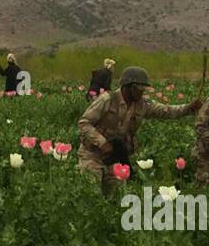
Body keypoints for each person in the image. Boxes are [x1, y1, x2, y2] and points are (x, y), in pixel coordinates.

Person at [78, 66, 200, 196]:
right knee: (90, 194)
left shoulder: (143, 104)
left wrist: (189, 108)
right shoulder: (107, 99)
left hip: (115, 159)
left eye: (143, 90)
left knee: (116, 197)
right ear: (128, 86)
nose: (141, 93)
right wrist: (102, 142)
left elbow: (167, 111)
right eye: (139, 89)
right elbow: (84, 122)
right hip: (92, 154)